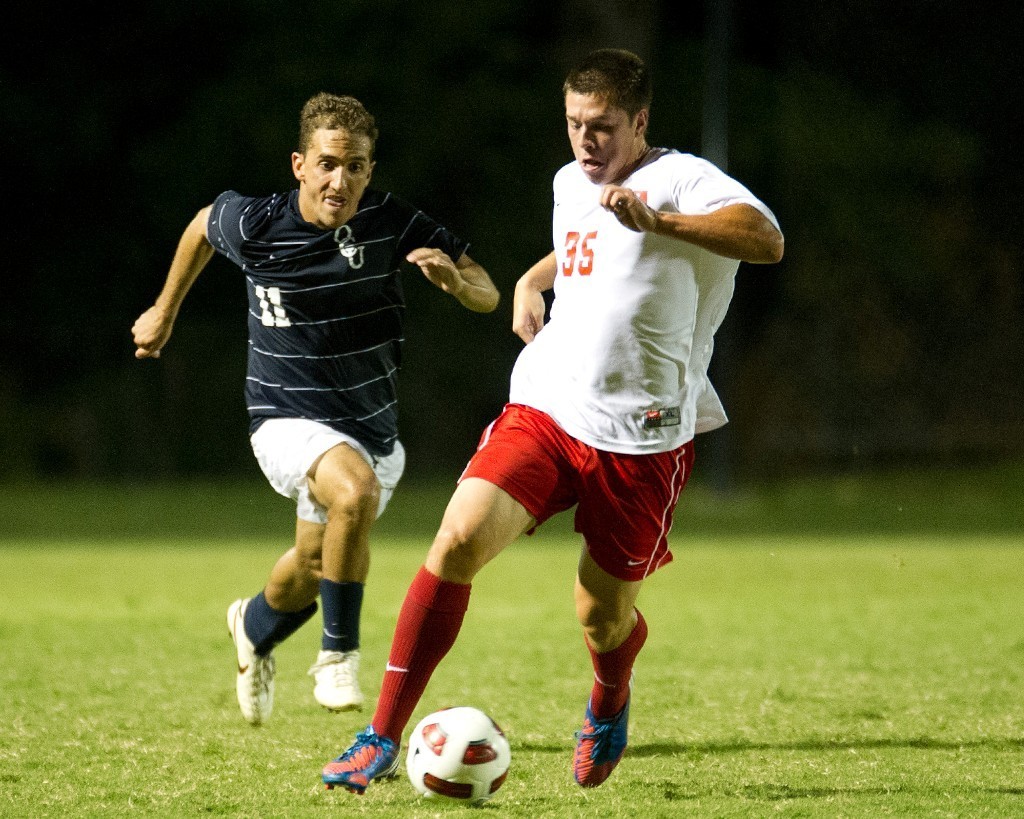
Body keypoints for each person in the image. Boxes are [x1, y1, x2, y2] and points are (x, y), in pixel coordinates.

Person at [321, 48, 783, 793]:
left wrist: (662, 221)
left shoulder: (684, 181)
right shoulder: (572, 182)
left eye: (600, 126)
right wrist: (535, 280)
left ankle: (608, 700)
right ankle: (378, 734)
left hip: (643, 439)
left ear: (639, 121)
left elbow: (767, 240)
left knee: (600, 618)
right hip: (549, 405)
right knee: (458, 537)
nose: (584, 141)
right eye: (573, 124)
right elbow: (588, 249)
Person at [132, 93, 499, 725]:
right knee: (351, 495)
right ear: (300, 164)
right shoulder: (257, 224)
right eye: (329, 164)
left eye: (355, 166)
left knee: (312, 563)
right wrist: (164, 310)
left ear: (369, 171)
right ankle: (337, 660)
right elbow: (200, 224)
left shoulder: (390, 220)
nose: (341, 180)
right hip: (284, 416)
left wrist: (459, 285)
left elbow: (489, 294)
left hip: (371, 424)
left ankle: (252, 626)